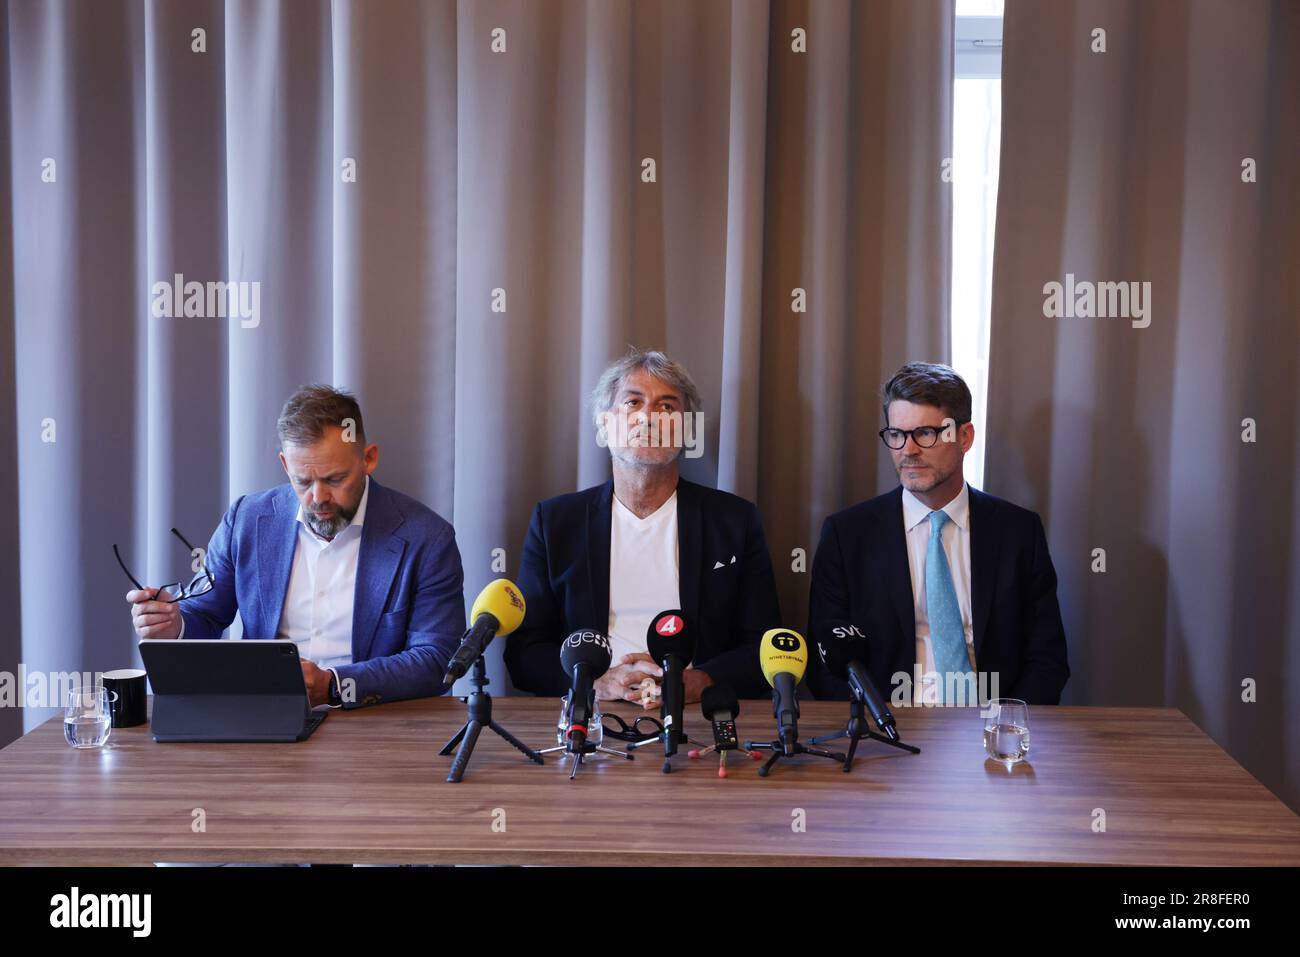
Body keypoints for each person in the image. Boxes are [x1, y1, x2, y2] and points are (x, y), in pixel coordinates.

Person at [125, 385, 466, 708]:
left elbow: (437, 659)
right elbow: (205, 613)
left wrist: (335, 685)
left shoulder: (427, 538)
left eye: (335, 479)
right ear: (286, 465)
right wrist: (173, 627)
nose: (318, 498)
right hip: (262, 715)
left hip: (372, 721)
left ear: (369, 459)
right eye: (303, 481)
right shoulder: (246, 520)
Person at [505, 348, 781, 704]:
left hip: (696, 715)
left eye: (667, 407)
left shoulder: (734, 521)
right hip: (592, 716)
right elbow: (524, 652)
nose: (648, 418)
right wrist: (596, 683)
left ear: (686, 430)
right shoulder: (556, 522)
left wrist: (701, 681)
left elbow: (766, 645)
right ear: (605, 425)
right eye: (633, 403)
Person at [808, 362, 1069, 705]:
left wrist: (1003, 728)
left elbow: (1047, 660)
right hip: (887, 734)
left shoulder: (1018, 532)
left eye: (926, 434)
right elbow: (825, 664)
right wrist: (877, 733)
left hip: (988, 730)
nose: (908, 450)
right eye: (897, 435)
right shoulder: (847, 535)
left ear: (964, 437)